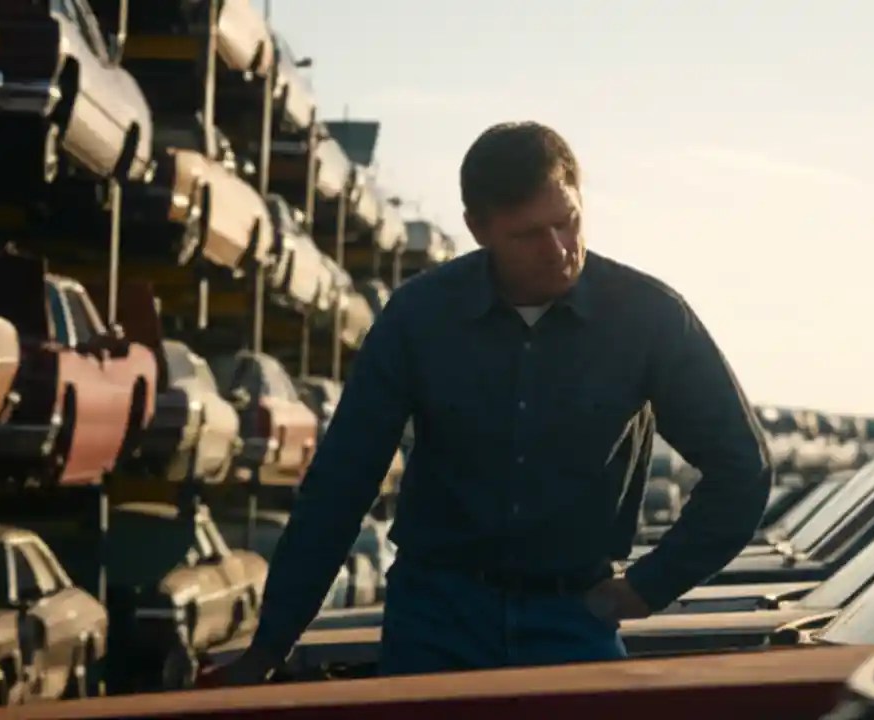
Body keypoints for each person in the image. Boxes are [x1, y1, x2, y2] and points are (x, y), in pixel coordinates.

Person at [216, 121, 772, 682]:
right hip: (434, 622)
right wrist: (271, 644)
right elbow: (341, 483)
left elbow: (743, 469)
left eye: (567, 221)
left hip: (573, 622)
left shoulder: (648, 319)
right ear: (478, 230)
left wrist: (650, 586)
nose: (559, 250)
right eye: (529, 235)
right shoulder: (420, 318)